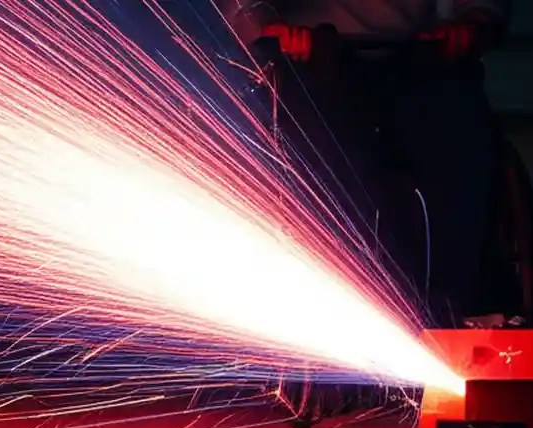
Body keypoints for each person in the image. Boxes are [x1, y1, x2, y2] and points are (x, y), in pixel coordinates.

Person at [218, 0, 512, 326]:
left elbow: (482, 13)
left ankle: (456, 311)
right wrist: (266, 27)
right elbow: (242, 10)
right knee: (320, 151)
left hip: (423, 57)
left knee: (457, 140)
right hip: (309, 56)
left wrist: (475, 20)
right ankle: (328, 293)